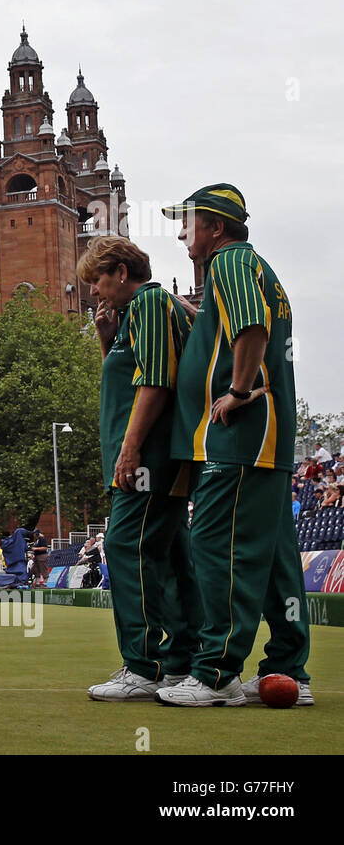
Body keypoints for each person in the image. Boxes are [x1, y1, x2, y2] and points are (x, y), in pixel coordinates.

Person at [154, 184, 311, 707]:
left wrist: (238, 391)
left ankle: (217, 674)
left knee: (217, 549)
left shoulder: (229, 263)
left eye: (187, 223)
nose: (181, 234)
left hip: (240, 438)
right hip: (267, 441)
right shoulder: (256, 267)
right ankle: (290, 668)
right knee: (275, 557)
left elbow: (251, 327)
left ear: (215, 228)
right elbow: (236, 326)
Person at [77, 234, 202, 701]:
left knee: (126, 546)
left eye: (97, 280)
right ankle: (181, 660)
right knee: (169, 555)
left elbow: (155, 384)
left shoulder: (149, 305)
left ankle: (141, 666)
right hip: (158, 457)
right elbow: (132, 378)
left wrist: (129, 452)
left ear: (121, 273)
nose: (93, 291)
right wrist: (107, 342)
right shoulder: (142, 313)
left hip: (148, 459)